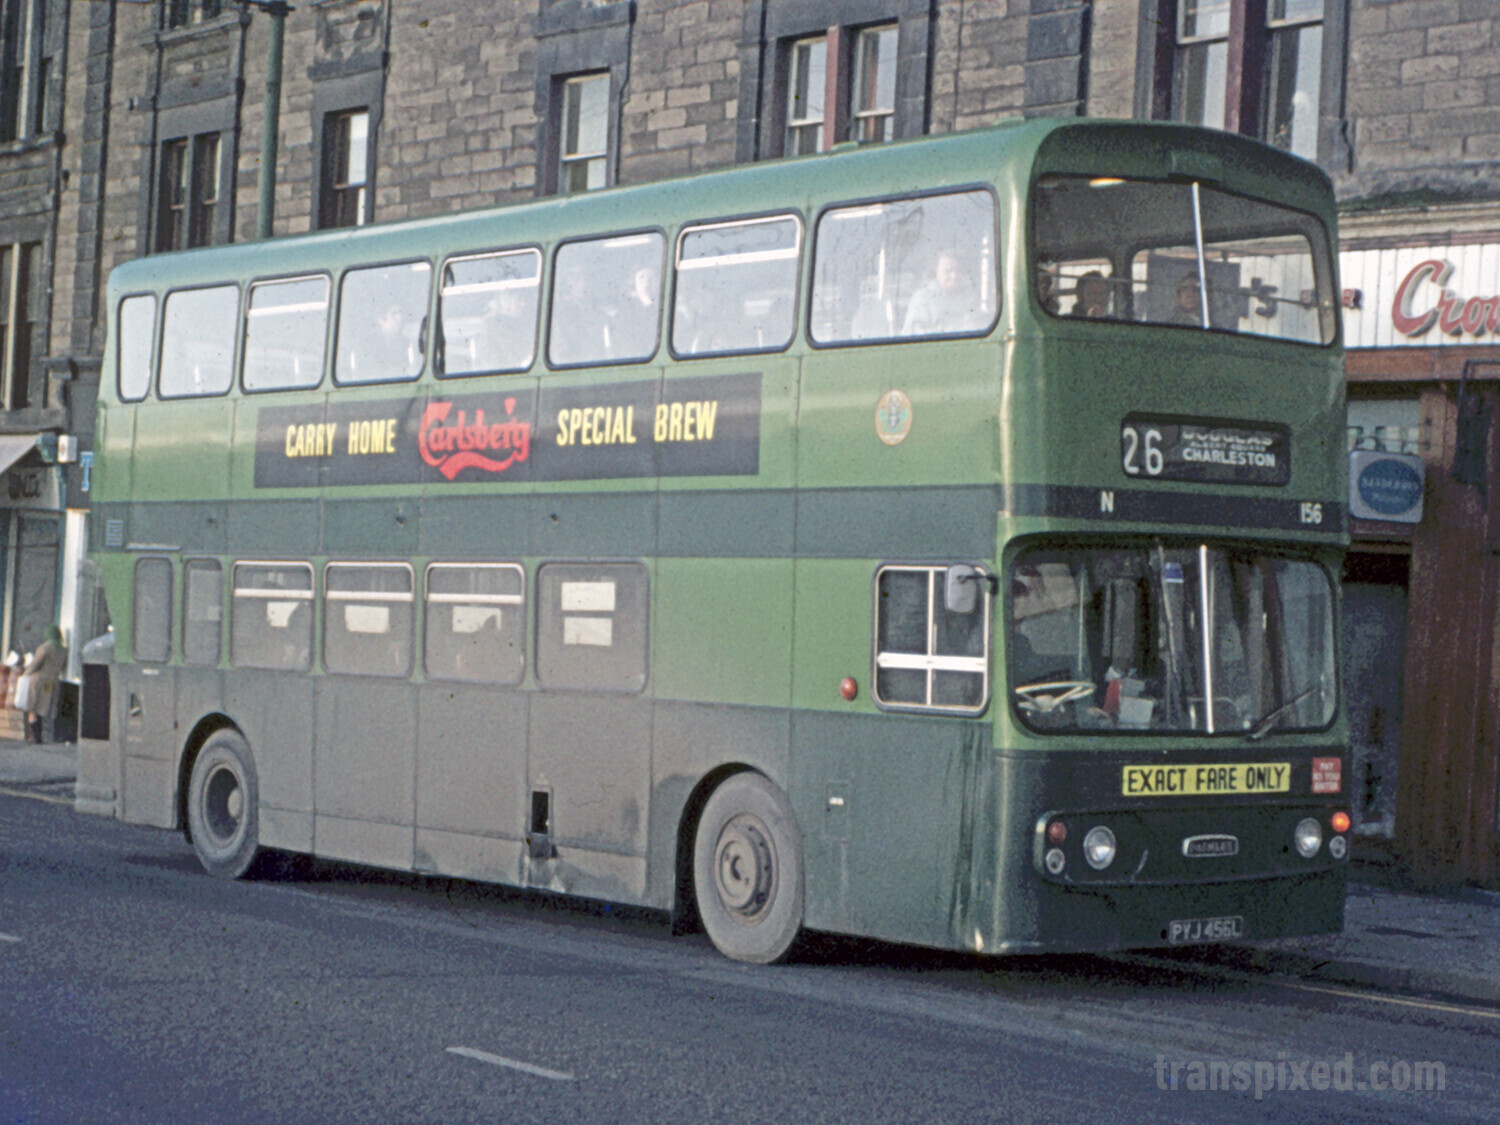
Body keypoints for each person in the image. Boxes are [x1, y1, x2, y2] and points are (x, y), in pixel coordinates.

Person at [902, 251, 979, 335]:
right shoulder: (922, 299)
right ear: (936, 272)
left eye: (958, 271)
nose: (954, 276)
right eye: (948, 271)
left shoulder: (970, 299)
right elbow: (913, 335)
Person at [21, 625, 67, 745]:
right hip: (52, 682)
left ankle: (34, 736)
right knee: (44, 706)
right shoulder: (63, 650)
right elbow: (63, 667)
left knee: (33, 706)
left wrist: (25, 673)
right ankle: (41, 735)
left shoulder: (44, 648)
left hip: (39, 681)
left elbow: (35, 664)